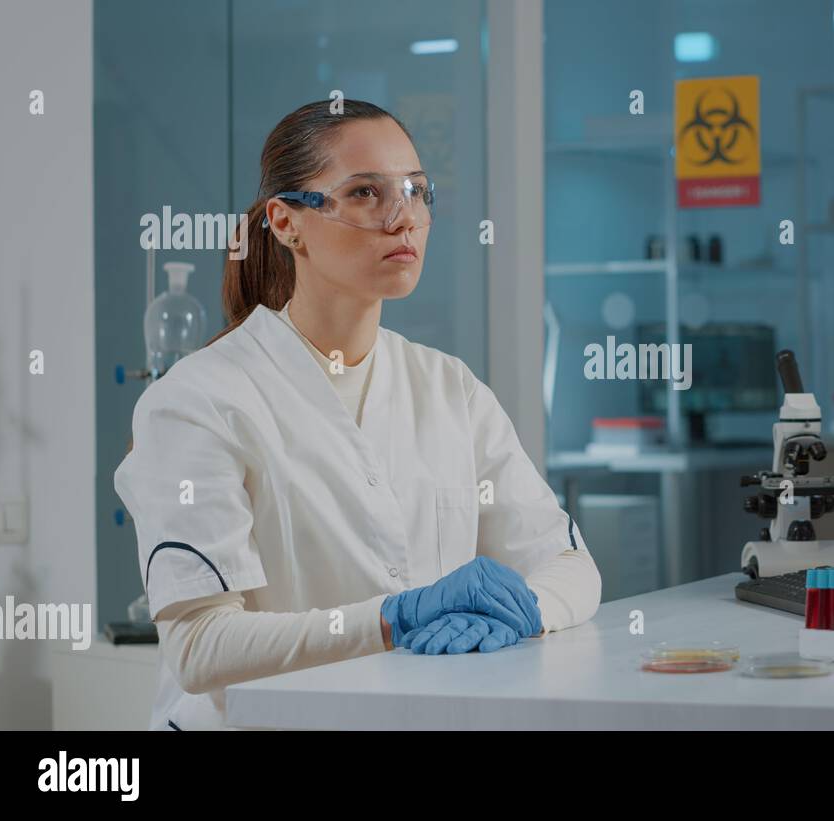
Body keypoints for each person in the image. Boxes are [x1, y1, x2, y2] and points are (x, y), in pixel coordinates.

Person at [114, 100, 601, 730]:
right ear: (286, 222)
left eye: (415, 192)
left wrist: (525, 609)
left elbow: (570, 564)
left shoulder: (449, 388)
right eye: (366, 193)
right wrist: (393, 619)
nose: (402, 219)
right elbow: (201, 648)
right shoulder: (196, 401)